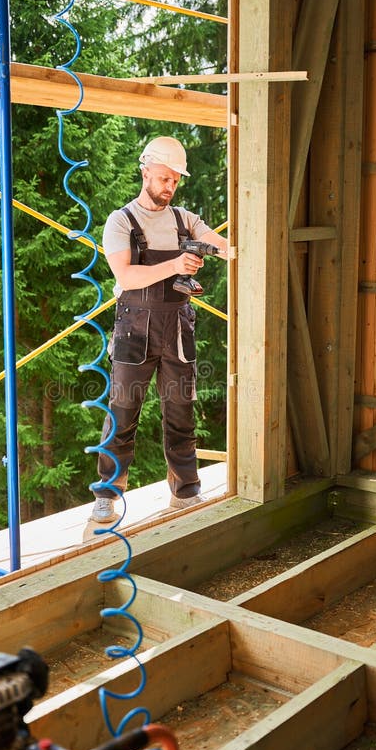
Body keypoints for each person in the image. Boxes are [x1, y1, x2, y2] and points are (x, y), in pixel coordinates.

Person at [90, 136, 228, 523]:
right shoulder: (122, 221)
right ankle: (107, 493)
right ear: (145, 170)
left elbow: (218, 243)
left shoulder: (185, 219)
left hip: (177, 326)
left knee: (181, 410)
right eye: (164, 178)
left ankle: (186, 491)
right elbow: (125, 274)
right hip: (135, 326)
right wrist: (176, 265)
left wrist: (234, 248)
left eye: (175, 181)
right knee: (123, 408)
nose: (169, 187)